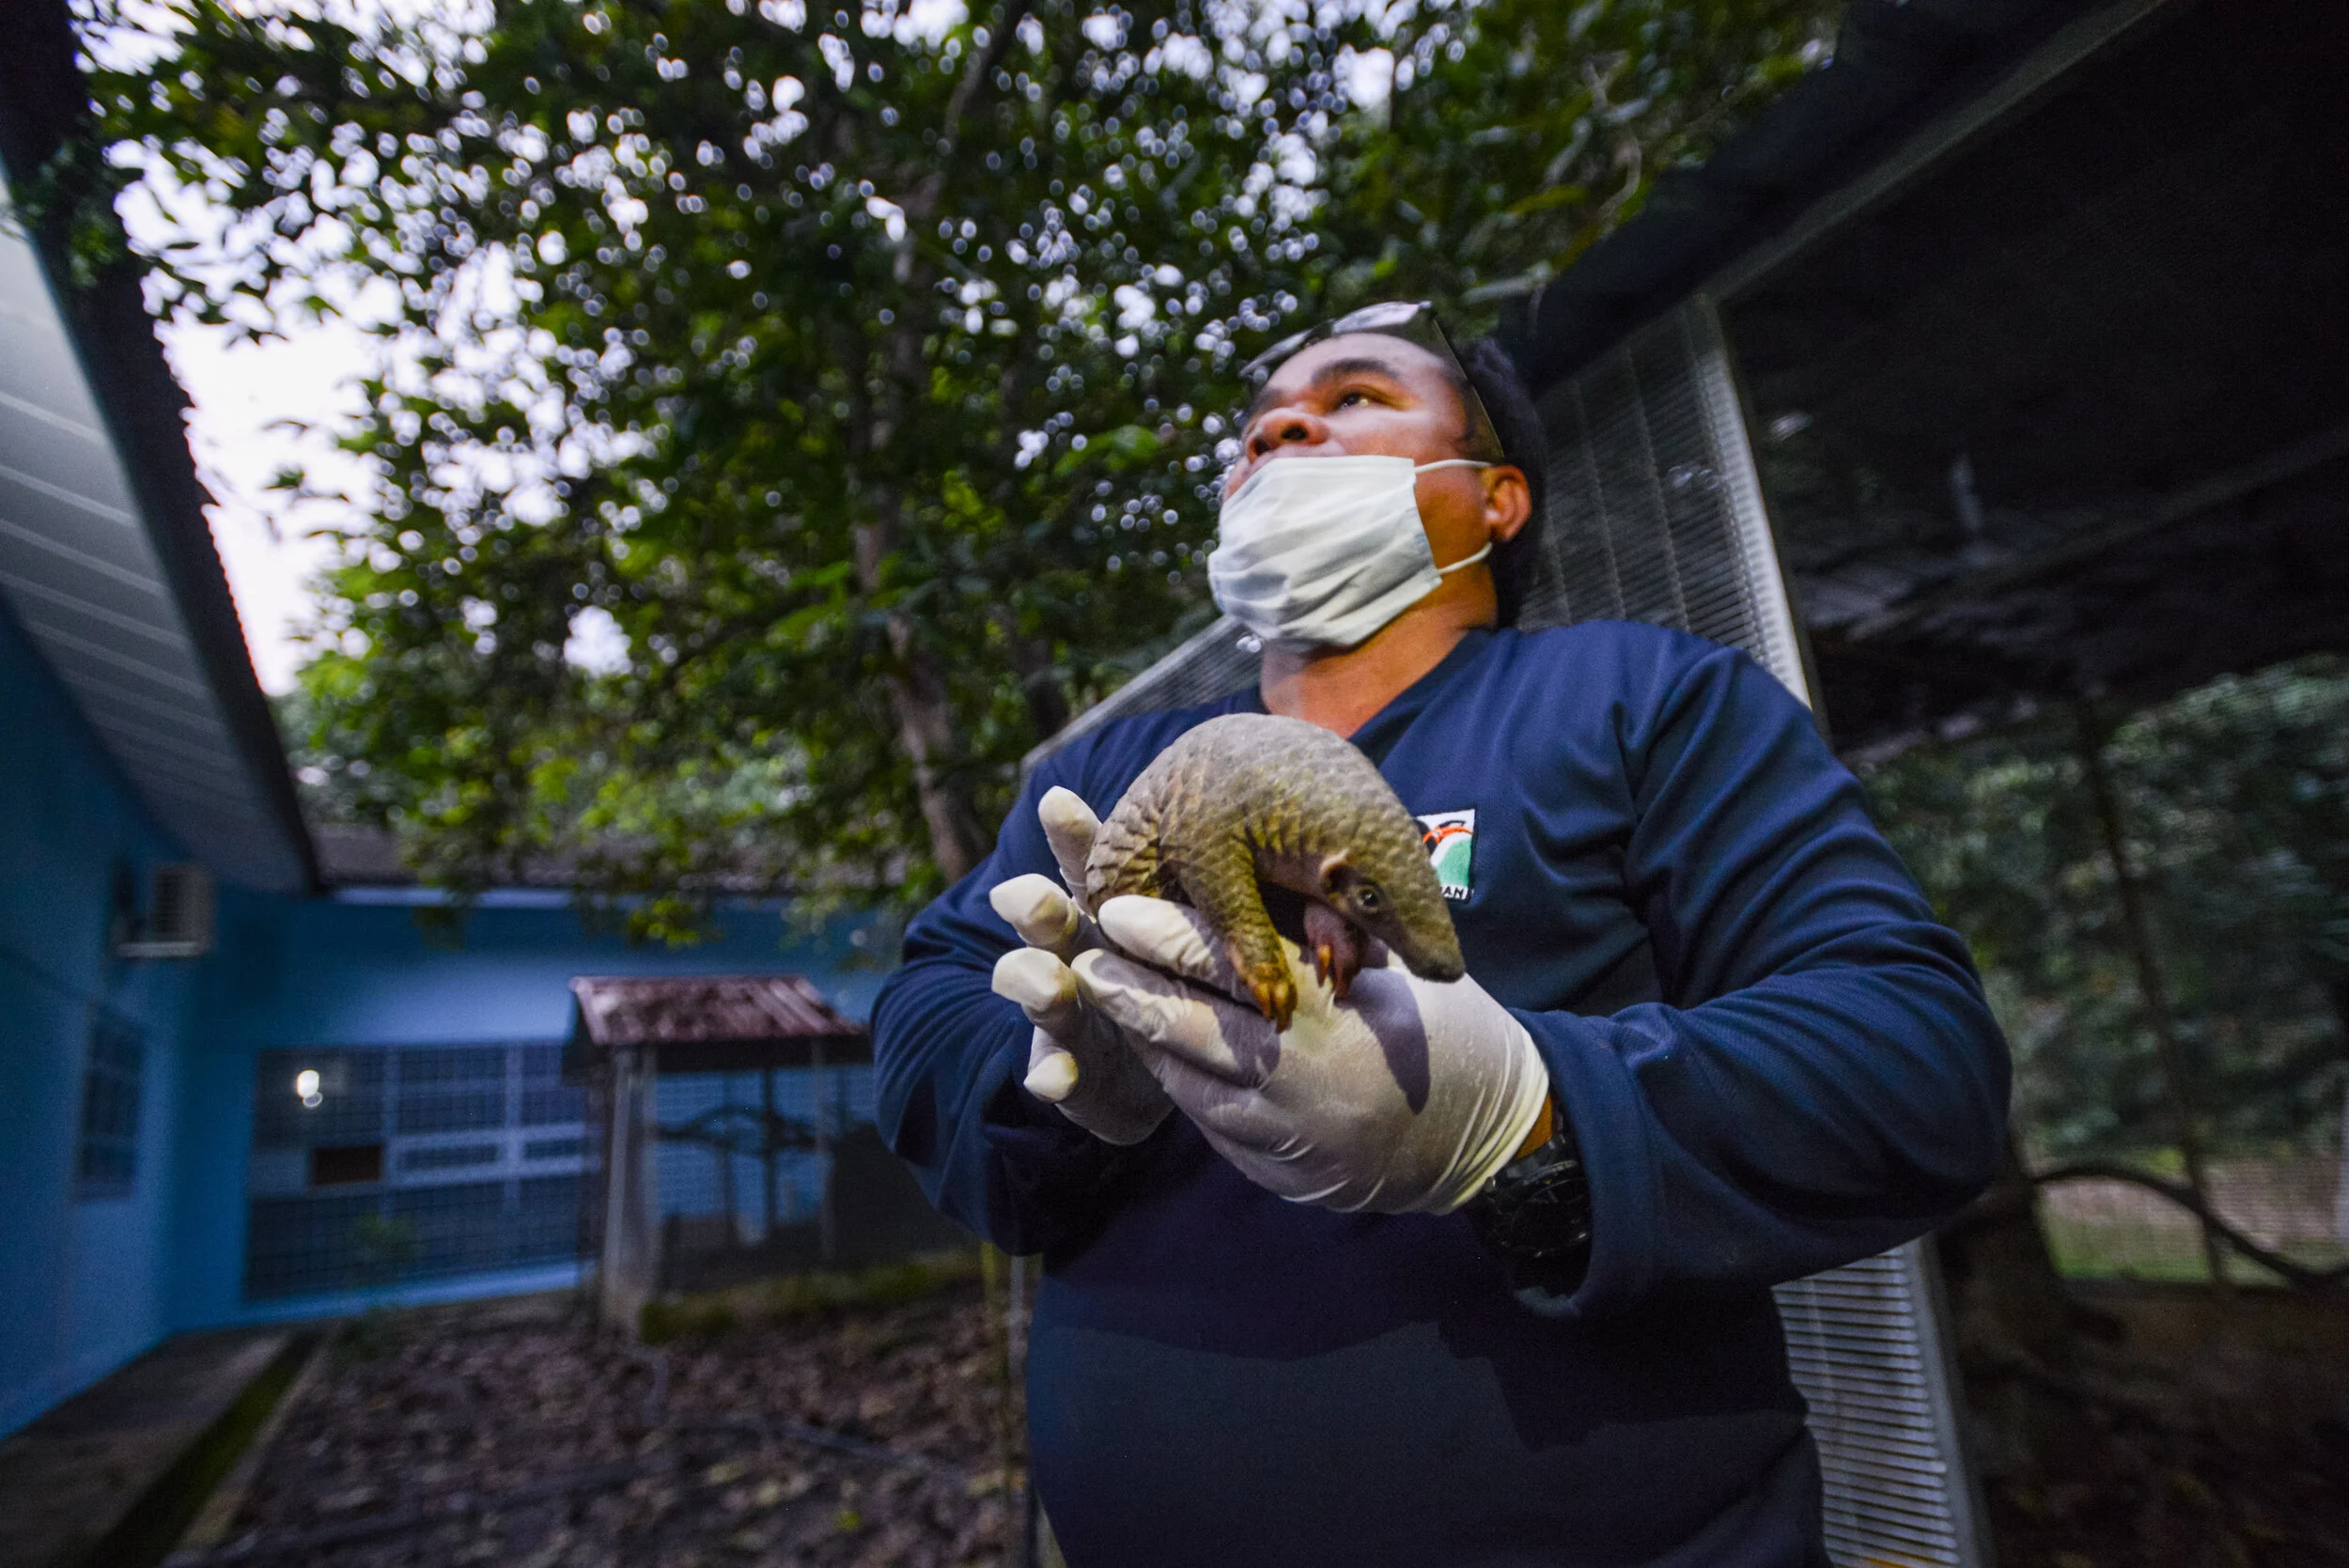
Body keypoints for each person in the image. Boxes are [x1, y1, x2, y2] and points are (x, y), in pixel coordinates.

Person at [871, 303, 2010, 1568]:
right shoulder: (1108, 770)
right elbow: (932, 995)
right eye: (1259, 427)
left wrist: (1526, 1120)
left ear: (1496, 500)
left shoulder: (1642, 699)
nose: (1284, 424)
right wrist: (1054, 1080)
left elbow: (1917, 1063)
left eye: (1357, 397)